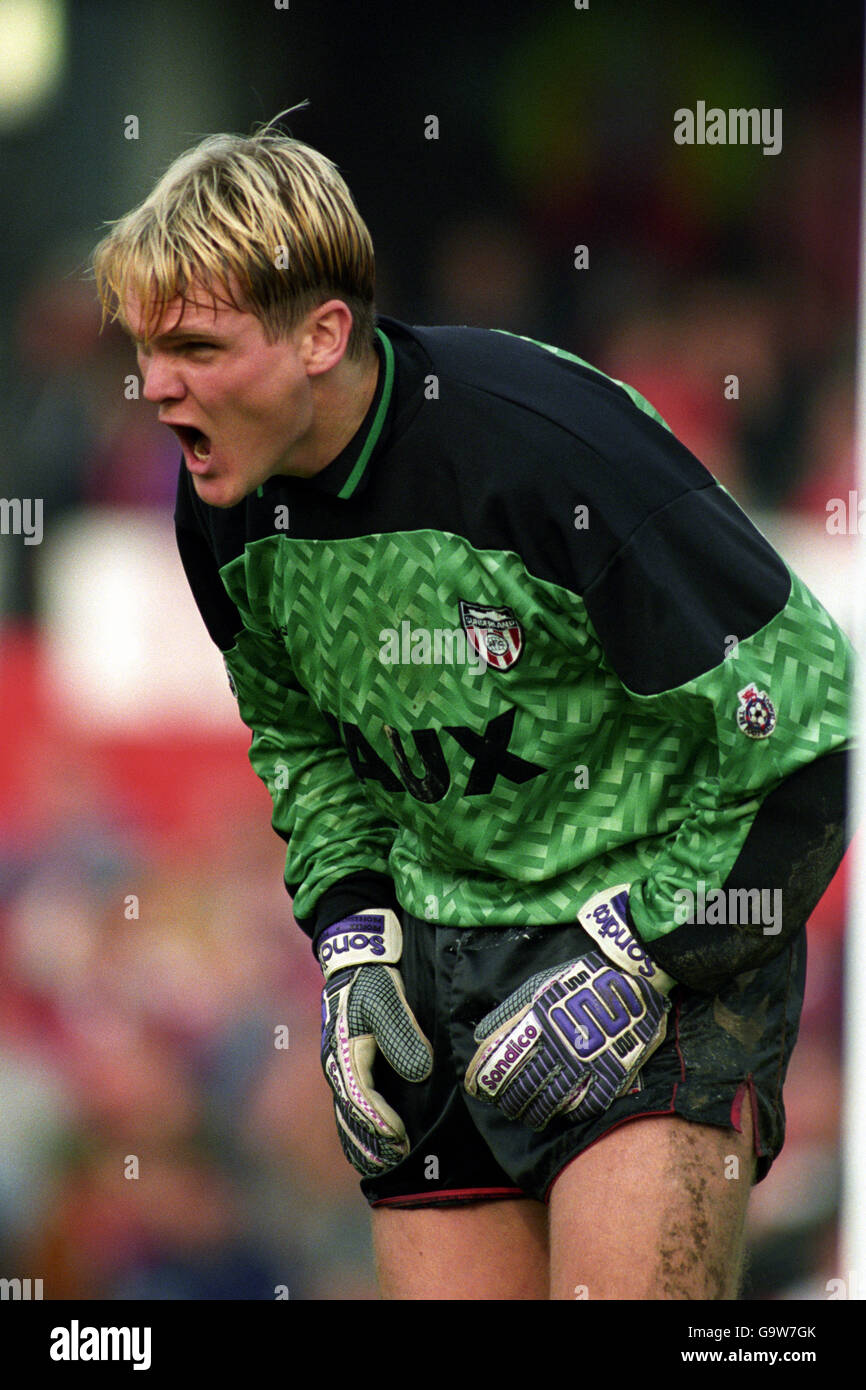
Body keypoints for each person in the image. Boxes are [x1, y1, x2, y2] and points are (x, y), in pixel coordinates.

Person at [91, 114, 853, 1301]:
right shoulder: (218, 510)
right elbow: (302, 746)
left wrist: (646, 957)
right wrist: (353, 941)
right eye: (143, 349)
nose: (154, 386)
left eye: (191, 345)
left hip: (653, 933)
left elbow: (812, 719)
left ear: (320, 333)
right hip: (445, 961)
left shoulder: (544, 449)